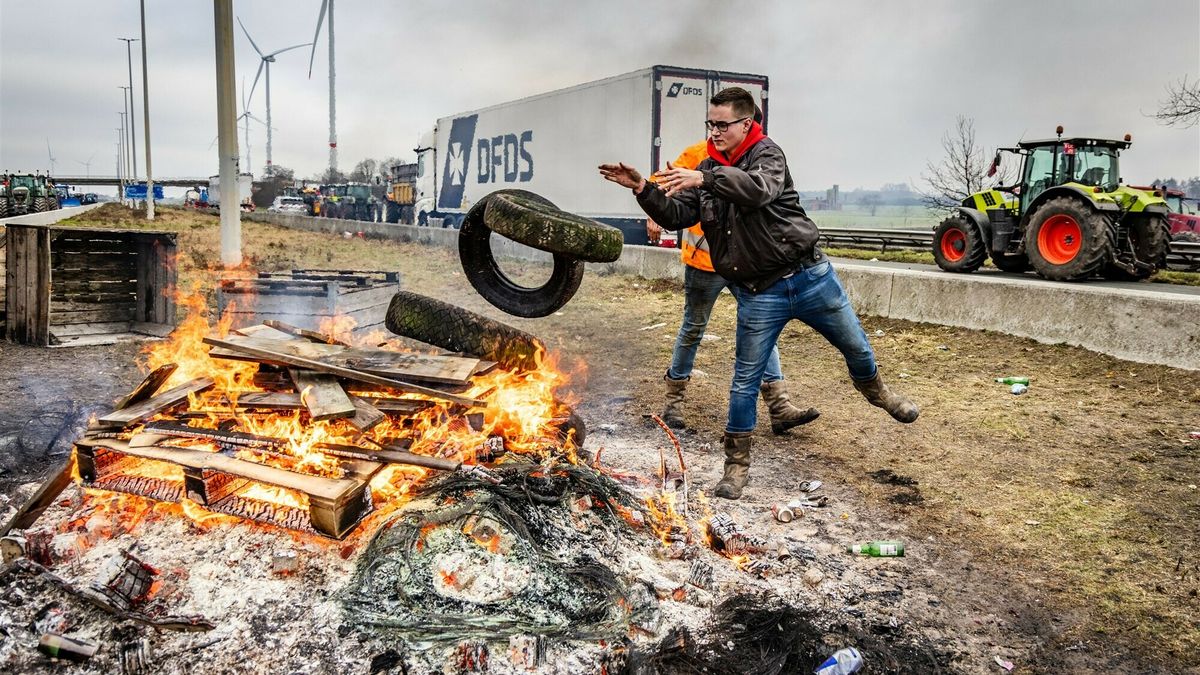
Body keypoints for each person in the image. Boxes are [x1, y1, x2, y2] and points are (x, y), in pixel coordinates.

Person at [600, 86, 918, 500]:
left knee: (857, 349)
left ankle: (879, 394)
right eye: (709, 124)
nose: (714, 132)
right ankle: (736, 467)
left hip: (809, 278)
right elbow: (678, 213)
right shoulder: (707, 167)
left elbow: (757, 191)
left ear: (746, 124)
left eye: (722, 124)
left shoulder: (768, 155)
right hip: (758, 293)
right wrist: (643, 188)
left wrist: (705, 176)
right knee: (745, 381)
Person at [649, 117, 819, 435]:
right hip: (705, 260)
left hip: (748, 265)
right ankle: (674, 403)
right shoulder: (697, 154)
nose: (722, 131)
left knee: (761, 328)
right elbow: (659, 184)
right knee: (693, 328)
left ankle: (779, 406)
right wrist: (654, 211)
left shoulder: (759, 157)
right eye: (718, 125)